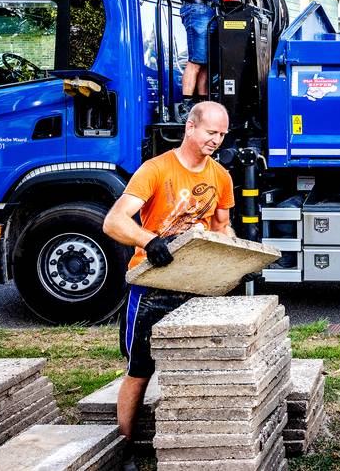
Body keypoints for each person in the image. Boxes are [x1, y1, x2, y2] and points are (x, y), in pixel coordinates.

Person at [102, 101, 235, 461]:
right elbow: (114, 222)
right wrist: (149, 240)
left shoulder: (221, 177)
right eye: (211, 132)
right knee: (139, 370)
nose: (217, 140)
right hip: (151, 285)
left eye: (222, 134)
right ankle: (125, 449)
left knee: (199, 366)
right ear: (190, 128)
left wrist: (238, 261)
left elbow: (222, 229)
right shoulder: (155, 170)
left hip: (195, 286)